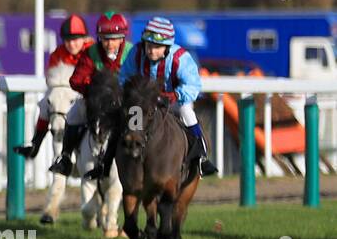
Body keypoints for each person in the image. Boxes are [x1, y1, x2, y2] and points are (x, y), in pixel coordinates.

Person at [118, 16, 217, 179]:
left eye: (156, 47)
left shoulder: (180, 57)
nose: (151, 51)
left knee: (187, 112)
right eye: (148, 45)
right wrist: (131, 93)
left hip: (174, 101)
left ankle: (201, 156)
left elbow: (193, 84)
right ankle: (109, 161)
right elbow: (124, 76)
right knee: (125, 120)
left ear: (167, 46)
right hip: (143, 104)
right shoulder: (136, 53)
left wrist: (175, 94)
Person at [45, 11, 130, 177]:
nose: (109, 43)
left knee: (140, 118)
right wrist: (94, 90)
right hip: (97, 101)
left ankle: (141, 155)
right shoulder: (91, 52)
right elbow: (76, 80)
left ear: (122, 38)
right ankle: (66, 157)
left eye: (114, 38)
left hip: (124, 101)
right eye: (105, 38)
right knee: (73, 114)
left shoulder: (131, 52)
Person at [14, 14, 93, 160]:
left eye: (75, 40)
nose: (71, 44)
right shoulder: (58, 53)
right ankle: (35, 144)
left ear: (84, 38)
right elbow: (51, 79)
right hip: (65, 92)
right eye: (68, 40)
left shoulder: (92, 50)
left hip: (88, 92)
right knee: (45, 103)